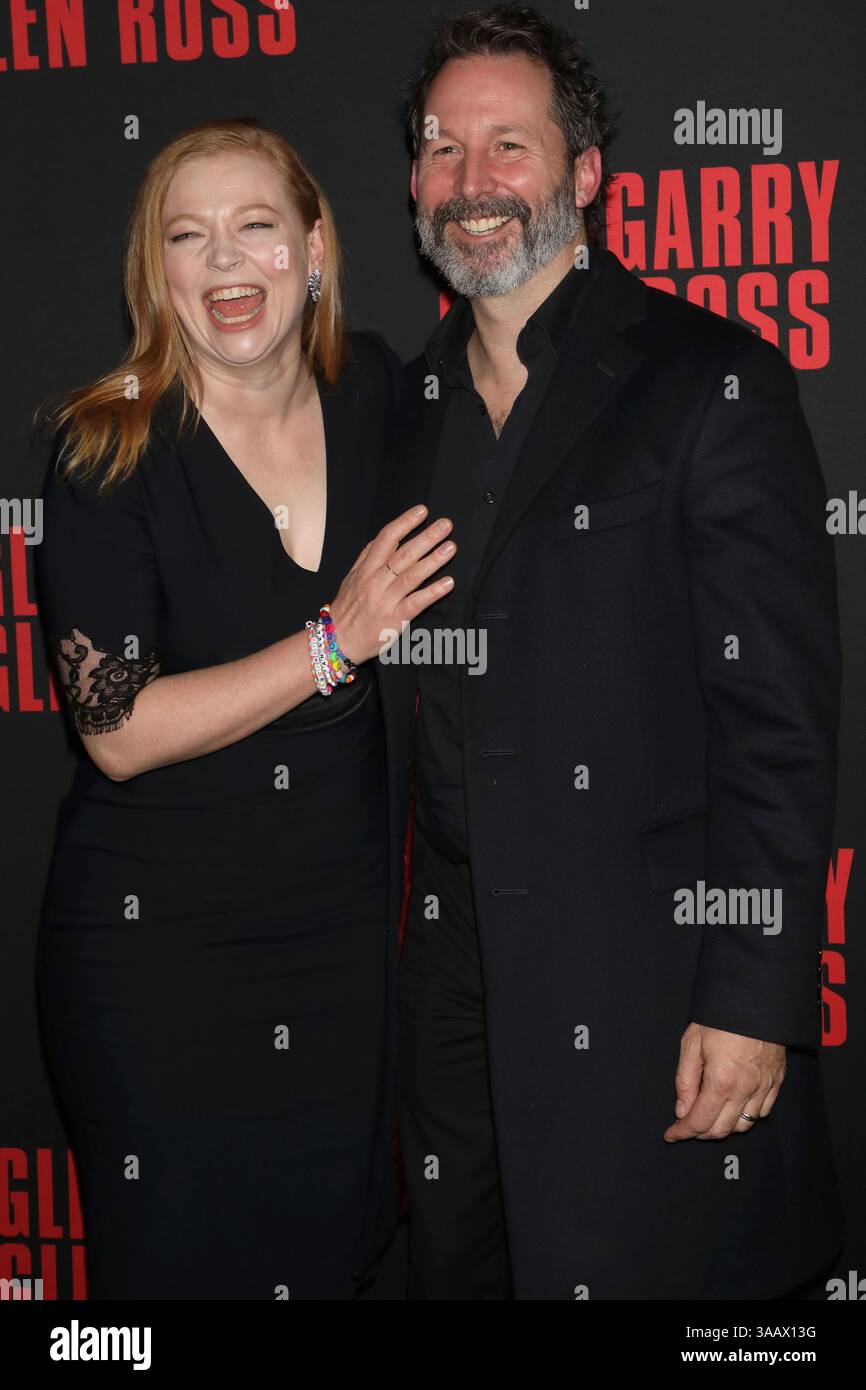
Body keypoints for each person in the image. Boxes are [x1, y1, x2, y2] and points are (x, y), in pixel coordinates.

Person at [377, 5, 844, 1299]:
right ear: (411, 180)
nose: (472, 184)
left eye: (507, 147)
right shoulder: (396, 414)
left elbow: (776, 725)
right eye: (440, 149)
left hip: (648, 978)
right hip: (451, 990)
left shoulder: (708, 381)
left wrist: (752, 994)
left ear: (583, 175)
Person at [33, 117, 456, 1300]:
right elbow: (115, 728)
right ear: (155, 273)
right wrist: (337, 642)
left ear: (313, 248)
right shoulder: (103, 447)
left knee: (327, 1256)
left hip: (337, 946)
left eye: (256, 226)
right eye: (189, 236)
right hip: (156, 954)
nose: (225, 262)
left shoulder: (375, 389)